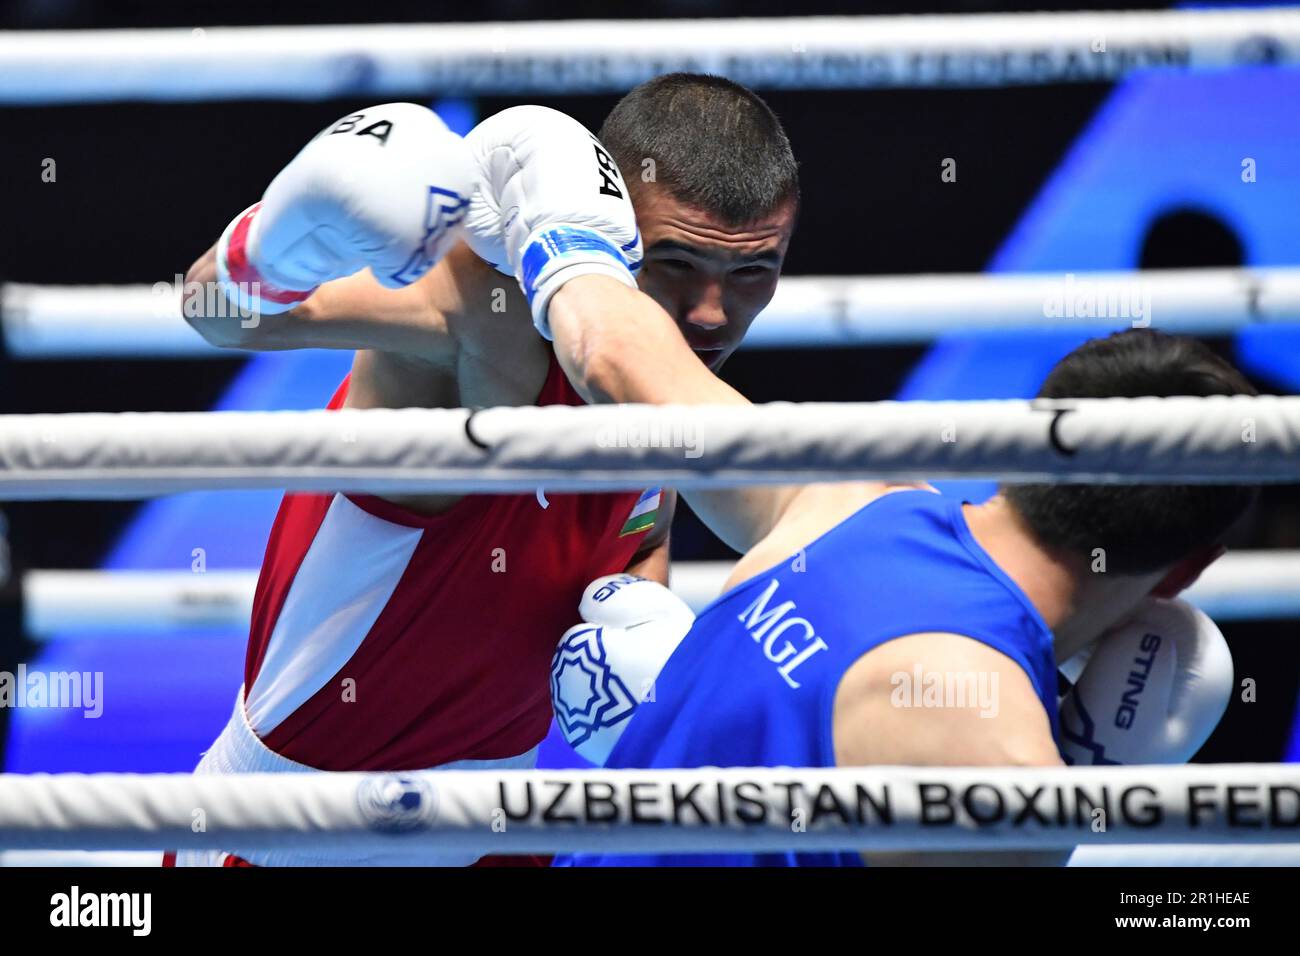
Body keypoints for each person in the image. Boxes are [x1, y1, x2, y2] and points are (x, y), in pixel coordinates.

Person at [174, 74, 799, 866]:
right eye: (676, 262)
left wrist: (641, 619)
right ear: (613, 225)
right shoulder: (481, 313)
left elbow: (636, 536)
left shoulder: (668, 388)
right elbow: (217, 315)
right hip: (298, 834)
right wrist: (272, 243)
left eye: (751, 273)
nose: (711, 312)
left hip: (503, 833)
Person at [550, 329, 1252, 866]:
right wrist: (1078, 795)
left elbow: (616, 348)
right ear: (1183, 573)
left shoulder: (850, 495)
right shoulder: (1006, 764)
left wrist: (568, 243)